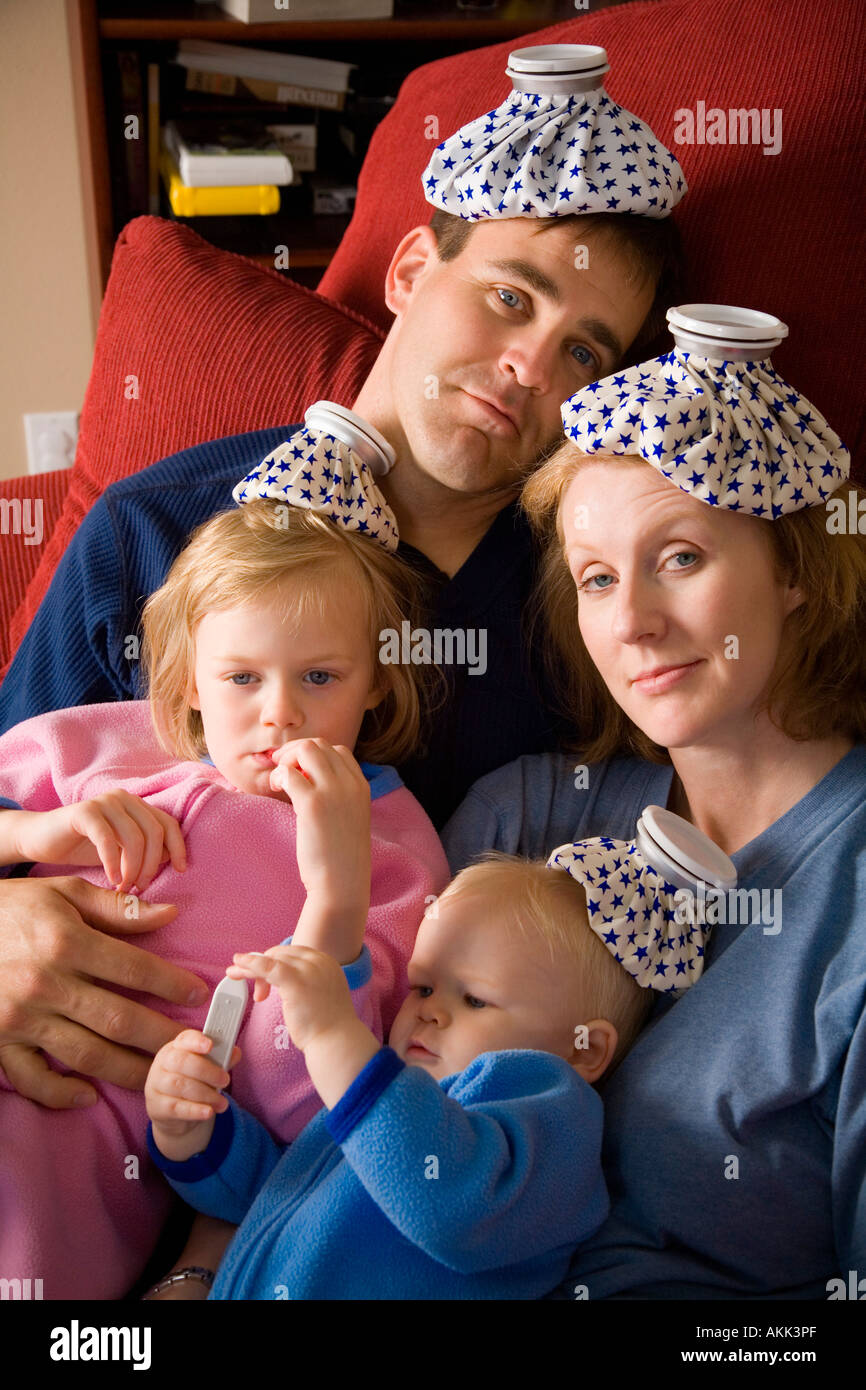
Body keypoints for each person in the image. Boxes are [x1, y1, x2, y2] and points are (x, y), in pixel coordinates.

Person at [442, 306, 866, 1298]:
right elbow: (326, 1097)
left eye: (678, 557)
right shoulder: (521, 820)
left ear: (792, 567)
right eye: (595, 578)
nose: (629, 622)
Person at [0, 491, 449, 1298]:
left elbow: (310, 1107)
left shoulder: (395, 851)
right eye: (242, 677)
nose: (279, 714)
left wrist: (334, 896)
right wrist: (30, 836)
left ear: (378, 682)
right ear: (191, 681)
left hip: (89, 1132)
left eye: (320, 676)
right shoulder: (115, 742)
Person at [144, 805, 715, 1299]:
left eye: (474, 999)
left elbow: (449, 1206)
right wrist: (195, 1128)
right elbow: (277, 1193)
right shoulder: (392, 1108)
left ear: (584, 1051)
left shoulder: (551, 1119)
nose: (429, 1011)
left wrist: (331, 1035)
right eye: (423, 986)